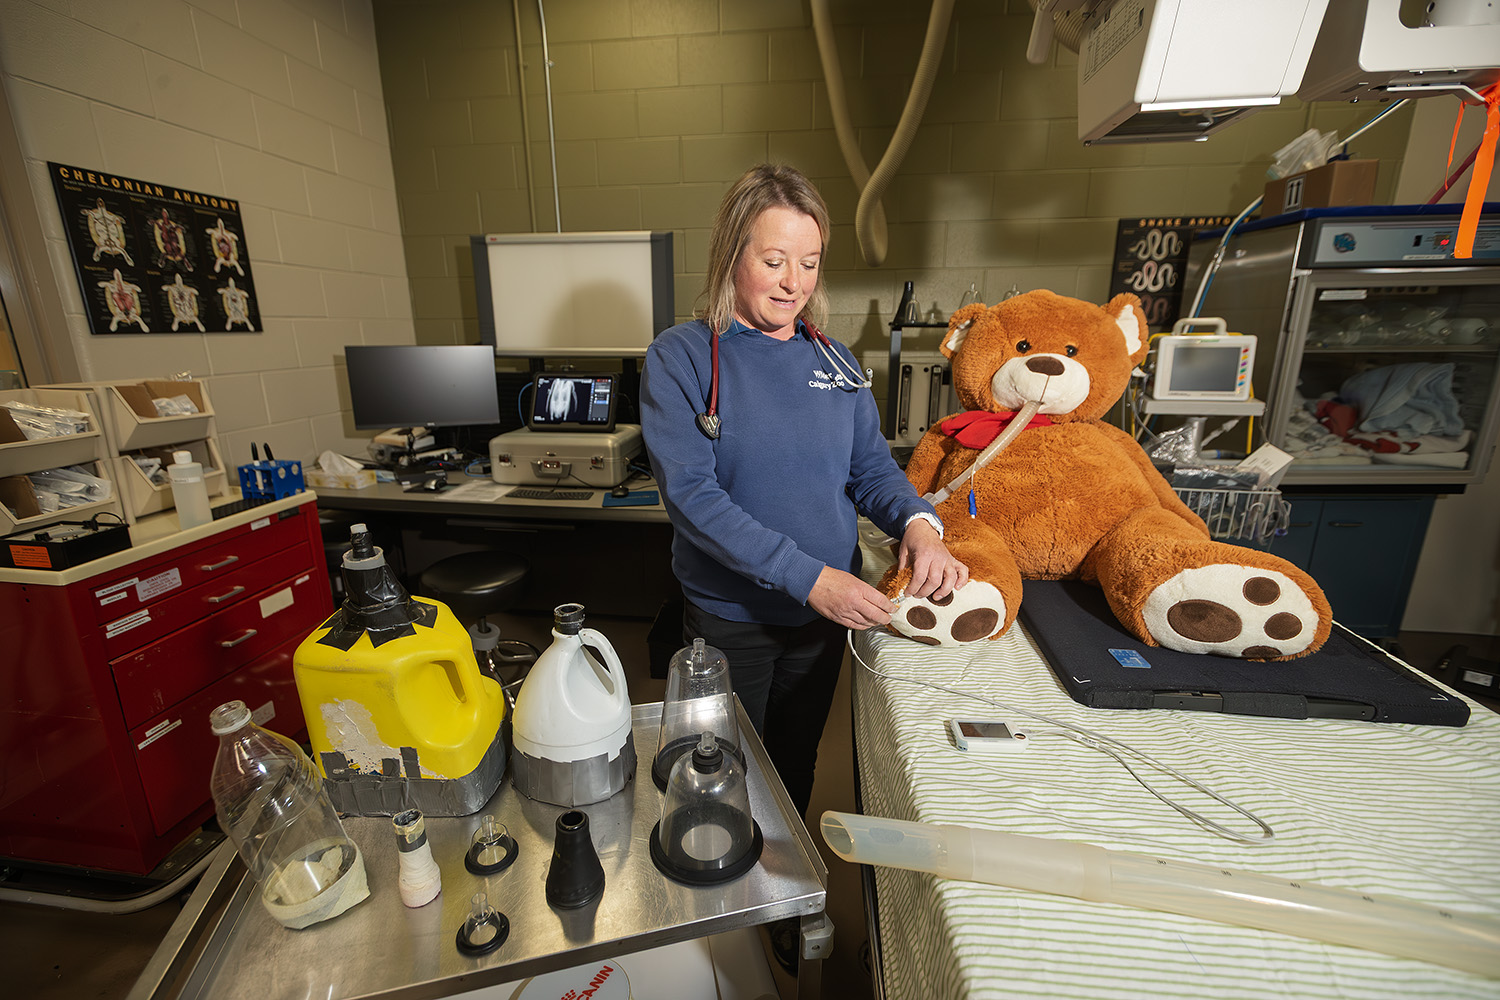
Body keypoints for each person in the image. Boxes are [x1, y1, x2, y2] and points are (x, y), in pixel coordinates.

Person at [640, 163, 967, 820]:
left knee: (793, 762)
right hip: (732, 620)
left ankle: (782, 898)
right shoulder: (681, 358)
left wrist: (920, 525)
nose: (795, 282)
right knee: (722, 771)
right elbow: (696, 502)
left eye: (810, 263)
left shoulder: (835, 361)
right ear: (732, 254)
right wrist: (811, 577)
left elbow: (871, 470)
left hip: (818, 623)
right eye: (775, 260)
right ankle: (727, 902)